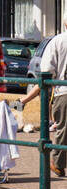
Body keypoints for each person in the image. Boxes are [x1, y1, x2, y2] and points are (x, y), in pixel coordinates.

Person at [24, 26, 67, 177]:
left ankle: (57, 162)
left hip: (64, 92)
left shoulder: (57, 41)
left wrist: (24, 100)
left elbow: (46, 73)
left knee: (63, 129)